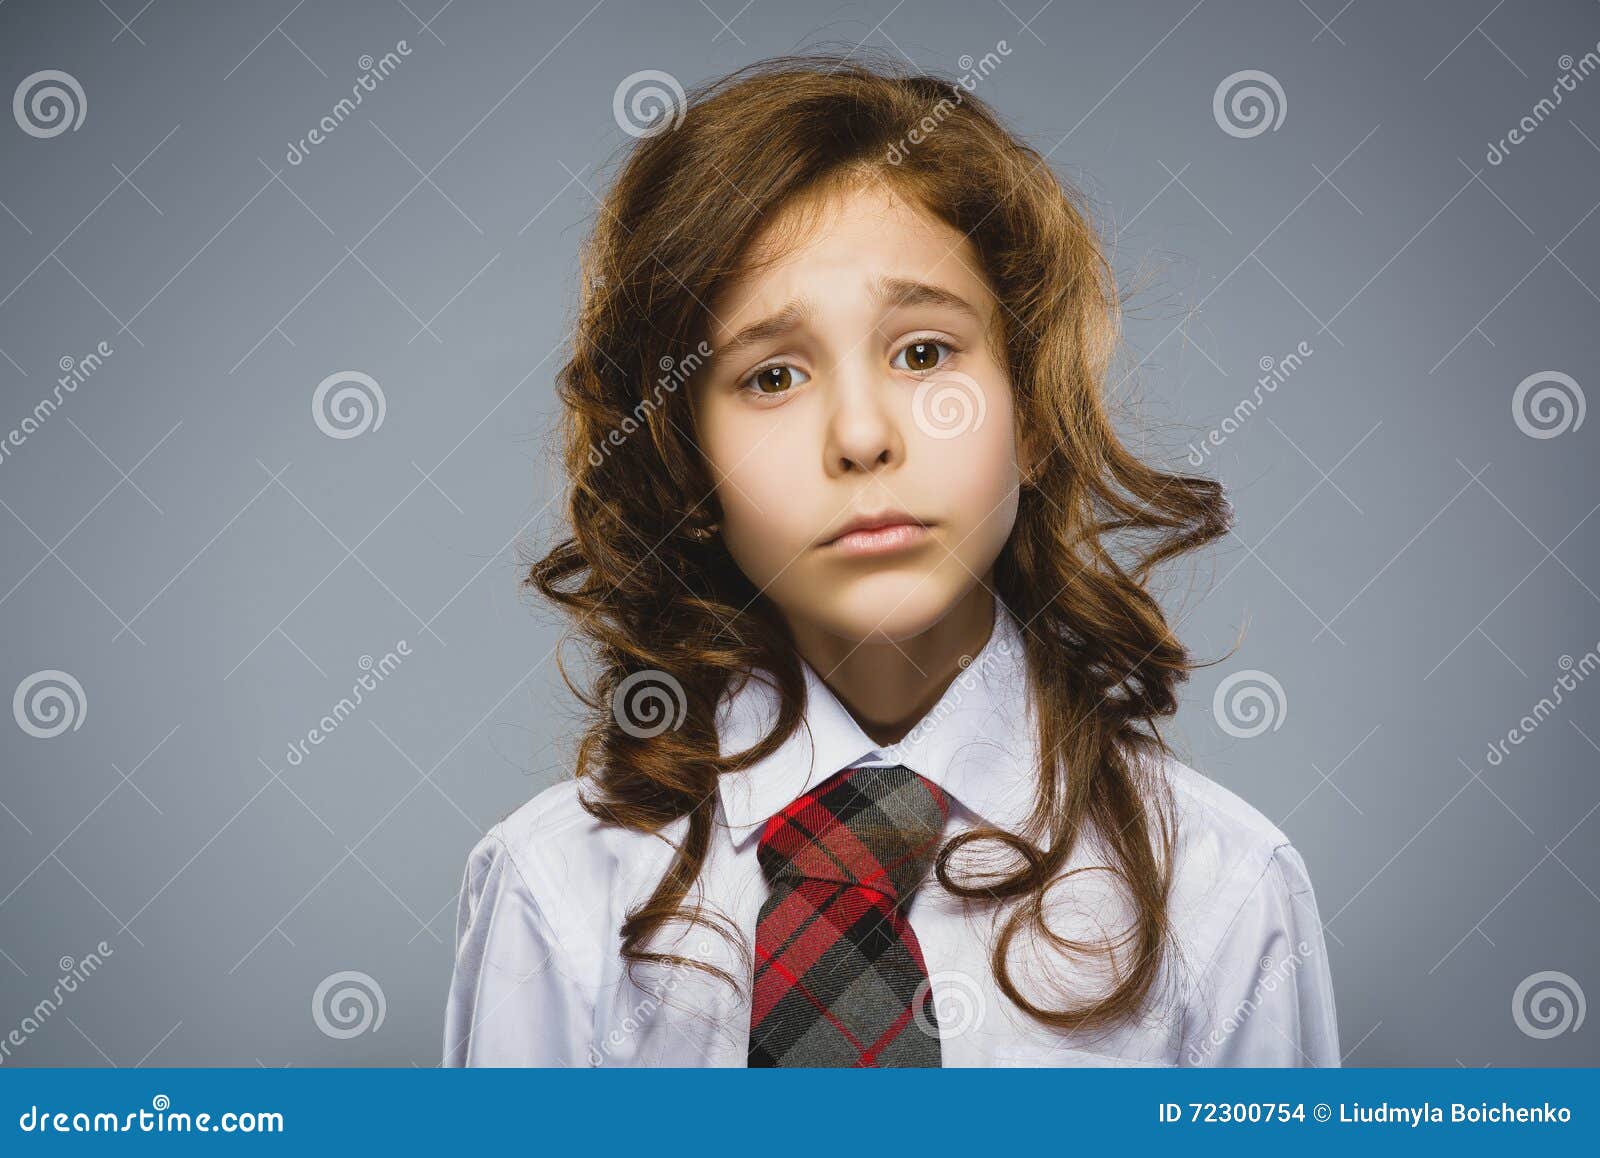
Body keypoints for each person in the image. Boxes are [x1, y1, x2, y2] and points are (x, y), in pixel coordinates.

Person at [442, 51, 1339, 1067]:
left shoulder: (1221, 894)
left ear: (1033, 414)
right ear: (687, 464)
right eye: (772, 376)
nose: (862, 438)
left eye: (923, 353)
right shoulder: (557, 891)